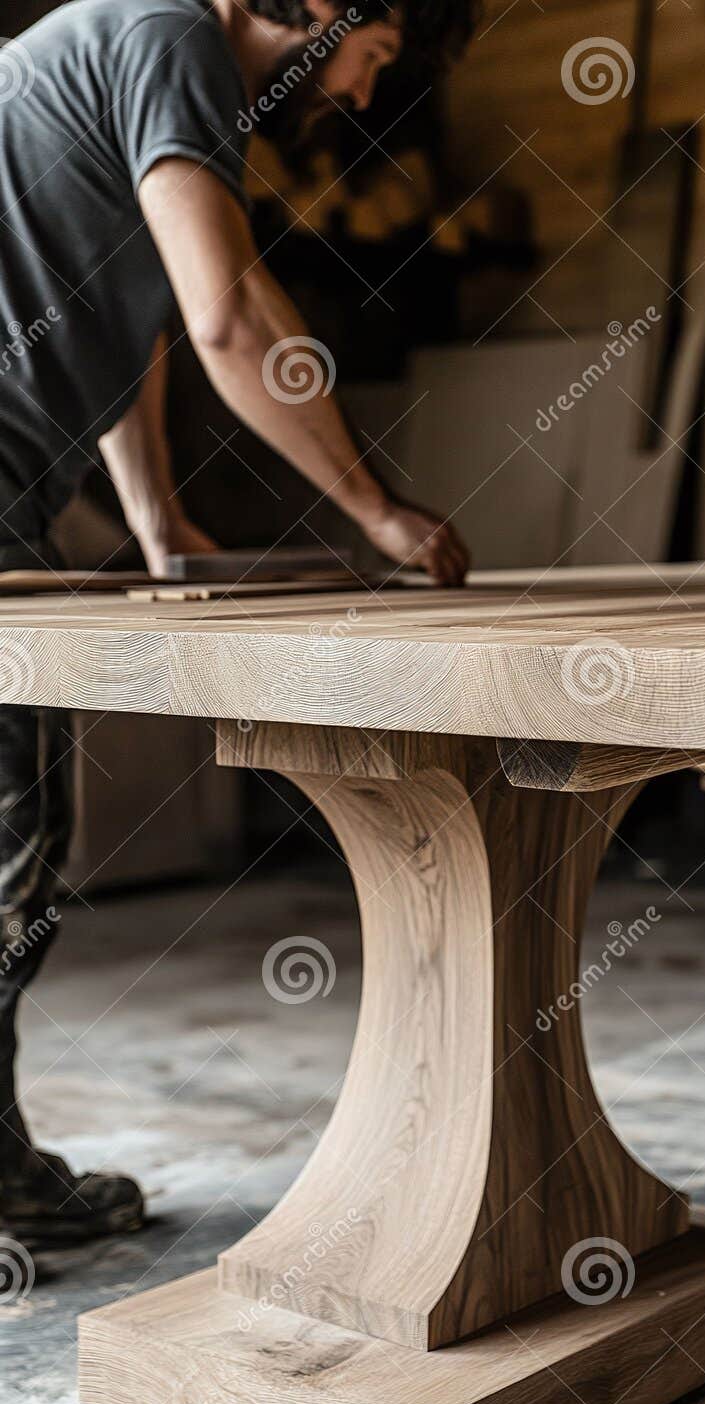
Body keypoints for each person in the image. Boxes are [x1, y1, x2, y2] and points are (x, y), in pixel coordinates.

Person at [0, 0, 473, 1248]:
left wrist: (159, 522)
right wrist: (378, 511)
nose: (365, 99)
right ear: (327, 8)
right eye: (372, 58)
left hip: (16, 497)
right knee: (6, 849)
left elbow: (135, 323)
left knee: (18, 842)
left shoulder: (143, 63)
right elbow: (230, 321)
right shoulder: (174, 42)